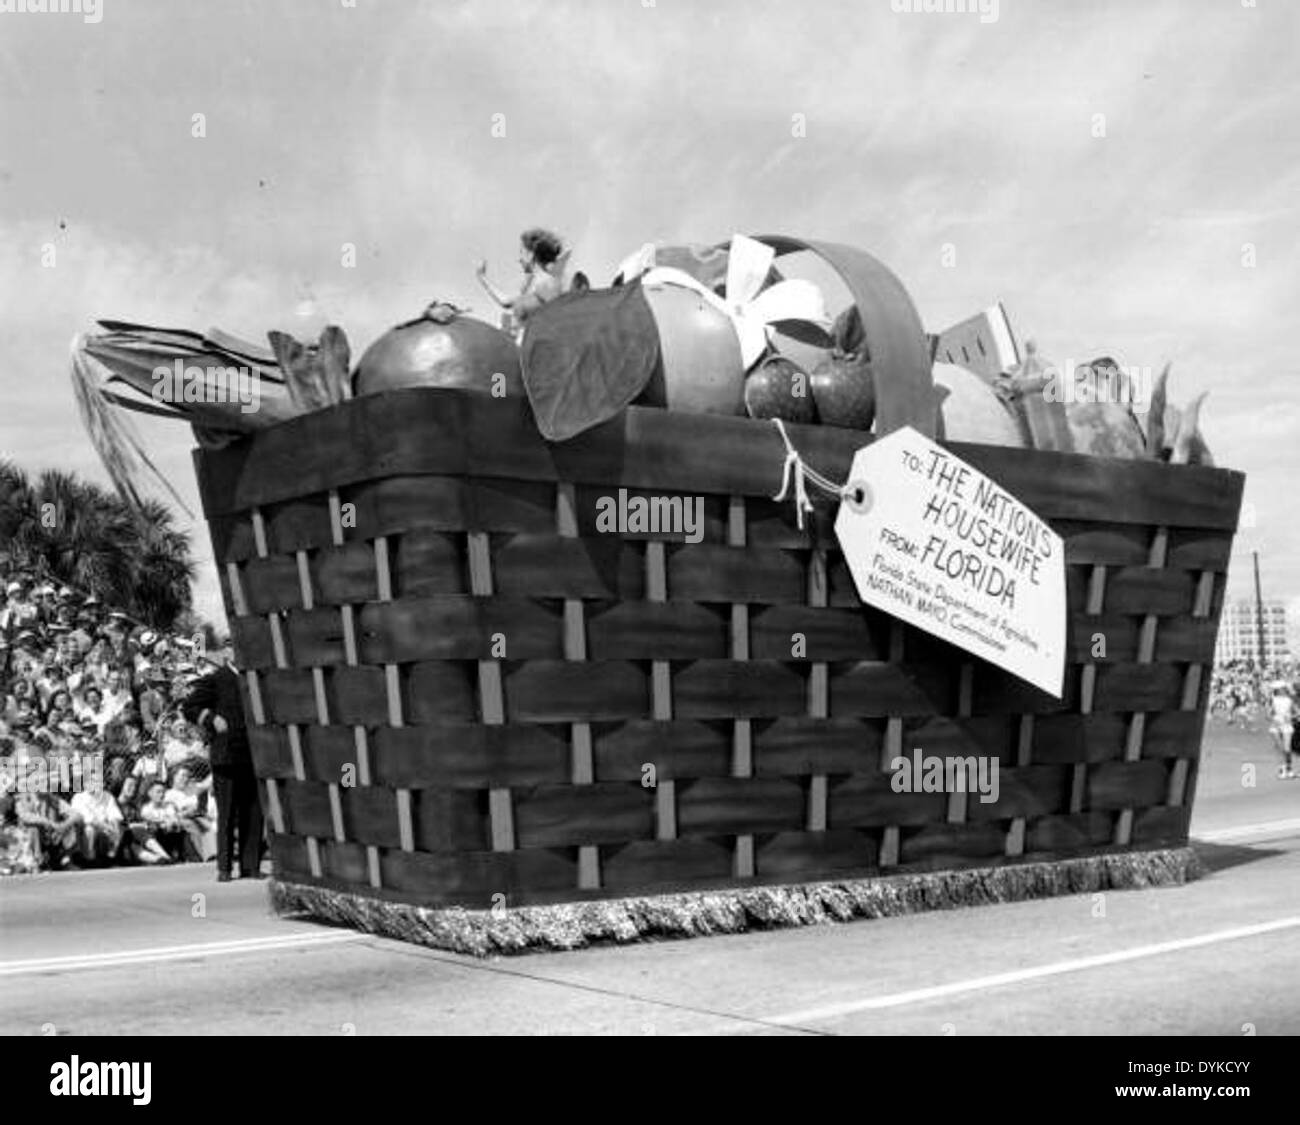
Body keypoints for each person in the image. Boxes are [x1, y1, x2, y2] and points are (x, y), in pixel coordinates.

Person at [182, 646, 264, 881]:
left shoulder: (255, 677)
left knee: (253, 812)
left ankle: (251, 866)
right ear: (228, 654)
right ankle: (225, 867)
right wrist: (210, 718)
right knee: (227, 813)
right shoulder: (216, 679)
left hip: (252, 753)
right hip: (226, 755)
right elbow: (189, 707)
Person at [475, 227, 572, 331]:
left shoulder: (546, 282)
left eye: (521, 252)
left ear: (530, 255)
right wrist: (482, 277)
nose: (519, 259)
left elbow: (557, 319)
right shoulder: (531, 281)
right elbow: (506, 302)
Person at [1270, 682, 1296, 778]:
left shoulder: (1289, 700)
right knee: (1279, 748)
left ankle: (1289, 768)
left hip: (1287, 725)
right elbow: (1268, 714)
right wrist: (1274, 719)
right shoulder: (1273, 700)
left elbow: (1297, 712)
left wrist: (1290, 717)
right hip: (1275, 725)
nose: (1281, 690)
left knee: (1287, 748)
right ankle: (1282, 769)